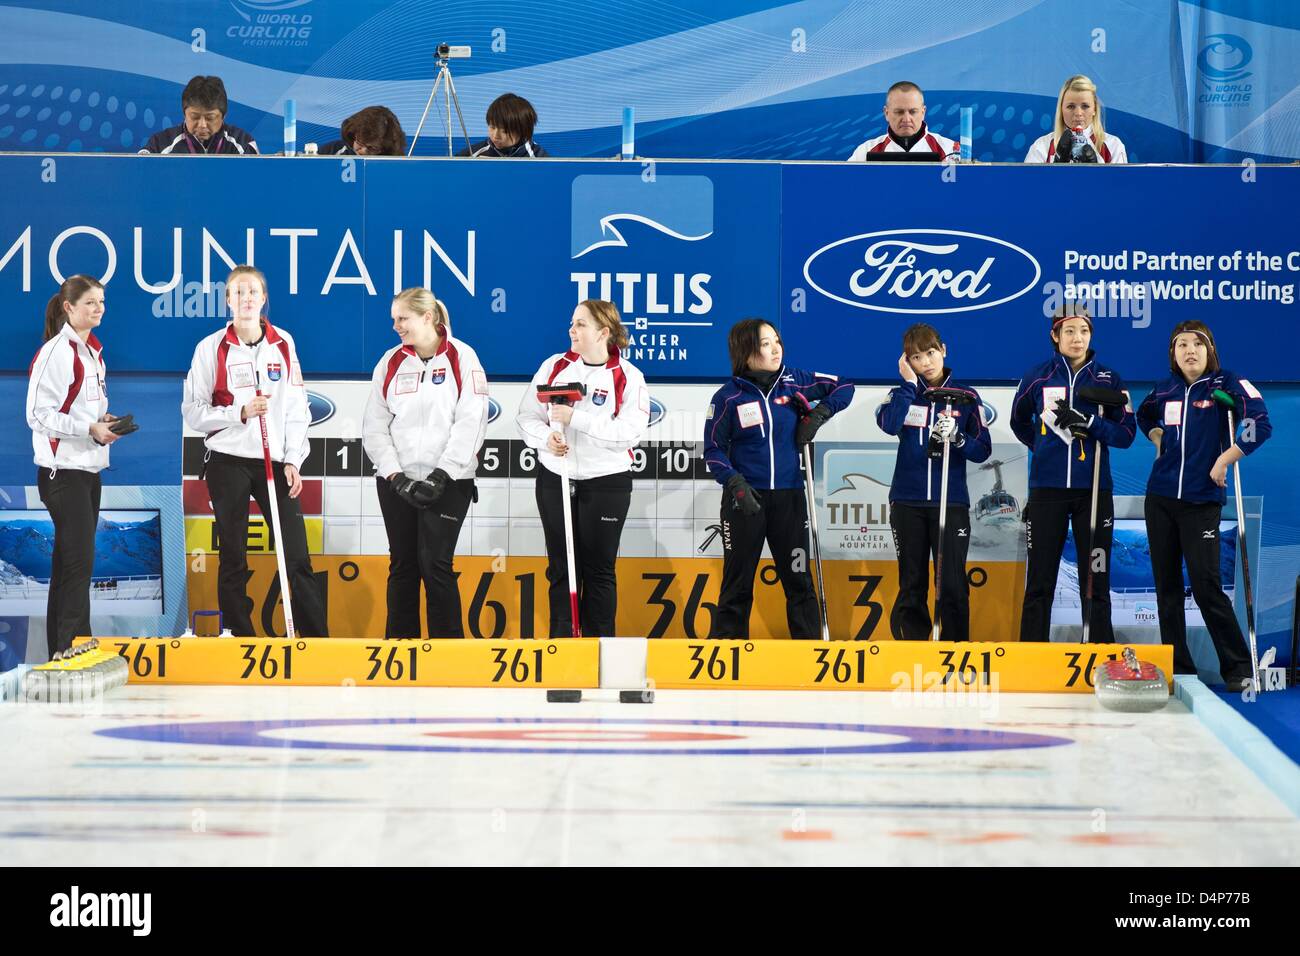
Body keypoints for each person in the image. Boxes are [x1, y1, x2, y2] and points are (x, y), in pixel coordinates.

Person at [181, 265, 328, 637]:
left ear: (264, 299)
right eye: (238, 293)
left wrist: (294, 458)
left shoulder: (283, 343)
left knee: (296, 553)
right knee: (233, 553)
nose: (246, 299)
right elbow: (193, 413)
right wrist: (239, 412)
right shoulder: (210, 347)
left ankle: (316, 640)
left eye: (253, 292)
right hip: (228, 461)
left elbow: (297, 408)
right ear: (228, 300)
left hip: (274, 461)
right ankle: (238, 636)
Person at [1136, 321, 1271, 692]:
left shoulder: (1227, 382)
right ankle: (1179, 668)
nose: (1189, 350)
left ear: (1210, 350)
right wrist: (1156, 435)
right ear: (1173, 353)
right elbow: (1143, 415)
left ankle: (1238, 667)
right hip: (1160, 498)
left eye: (1197, 343)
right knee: (1166, 586)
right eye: (1181, 344)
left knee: (1206, 584)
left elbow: (1259, 423)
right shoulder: (1163, 390)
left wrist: (1225, 459)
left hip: (1201, 500)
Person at [703, 319, 854, 639]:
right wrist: (734, 484)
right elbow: (714, 450)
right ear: (746, 352)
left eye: (777, 341)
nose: (776, 349)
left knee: (799, 583)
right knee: (737, 585)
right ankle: (728, 658)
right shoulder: (727, 398)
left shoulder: (795, 382)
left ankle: (810, 655)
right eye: (765, 344)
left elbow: (844, 386)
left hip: (789, 500)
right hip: (745, 500)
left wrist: (818, 415)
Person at [362, 288, 488, 638]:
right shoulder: (390, 361)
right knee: (402, 565)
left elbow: (471, 423)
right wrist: (396, 476)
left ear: (428, 318)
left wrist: (442, 475)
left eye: (402, 318)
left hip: (450, 481)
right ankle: (400, 651)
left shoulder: (463, 358)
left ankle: (448, 655)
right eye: (394, 319)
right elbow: (374, 427)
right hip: (397, 483)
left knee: (436, 565)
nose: (396, 326)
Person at [516, 300, 647, 637]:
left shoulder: (628, 377)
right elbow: (526, 416)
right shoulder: (554, 366)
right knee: (561, 567)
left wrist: (578, 418)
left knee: (599, 569)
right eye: (572, 323)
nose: (571, 330)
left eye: (580, 324)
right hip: (555, 477)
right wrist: (547, 438)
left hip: (606, 482)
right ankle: (563, 648)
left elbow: (629, 433)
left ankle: (600, 650)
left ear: (604, 332)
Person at [1010, 303, 1135, 643]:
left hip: (1092, 492)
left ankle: (1098, 649)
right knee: (1040, 578)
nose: (1077, 338)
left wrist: (1091, 423)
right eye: (1069, 331)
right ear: (1055, 336)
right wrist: (1043, 447)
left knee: (1095, 576)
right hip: (1046, 491)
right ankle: (1032, 653)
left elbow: (1125, 434)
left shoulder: (1109, 379)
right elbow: (1018, 421)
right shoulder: (1037, 376)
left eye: (1083, 331)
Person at [26, 275, 134, 658]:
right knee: (78, 561)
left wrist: (103, 421)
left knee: (69, 561)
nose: (98, 308)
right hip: (62, 472)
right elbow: (37, 415)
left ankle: (60, 648)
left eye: (101, 302)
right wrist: (88, 428)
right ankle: (74, 643)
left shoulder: (93, 353)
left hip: (88, 470)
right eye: (89, 302)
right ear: (69, 308)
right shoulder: (57, 353)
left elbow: (79, 409)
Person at [876, 324, 991, 641]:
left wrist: (958, 438)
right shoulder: (902, 394)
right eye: (916, 357)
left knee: (952, 581)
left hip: (951, 502)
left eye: (930, 353)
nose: (926, 362)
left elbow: (982, 450)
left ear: (943, 350)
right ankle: (911, 649)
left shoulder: (967, 397)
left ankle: (955, 651)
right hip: (908, 502)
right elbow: (888, 424)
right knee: (911, 580)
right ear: (907, 362)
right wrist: (908, 385)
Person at [140, 76, 258, 155]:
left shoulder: (243, 143)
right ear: (184, 114)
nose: (202, 125)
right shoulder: (158, 144)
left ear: (224, 116)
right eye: (195, 117)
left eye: (210, 118)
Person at [1024, 74, 1127, 163]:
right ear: (1061, 109)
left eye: (1085, 106)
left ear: (1094, 109)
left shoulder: (1113, 145)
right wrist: (1056, 169)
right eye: (1071, 106)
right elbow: (1028, 185)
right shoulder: (1041, 146)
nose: (1078, 113)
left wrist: (1097, 170)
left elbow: (1122, 185)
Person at [847, 81, 958, 160]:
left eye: (913, 111)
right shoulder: (865, 152)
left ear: (923, 112)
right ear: (886, 113)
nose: (906, 119)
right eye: (899, 112)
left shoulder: (949, 151)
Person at [459, 93, 549, 157]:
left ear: (523, 131)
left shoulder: (539, 158)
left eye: (504, 131)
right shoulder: (472, 154)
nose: (495, 136)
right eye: (492, 127)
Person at [319, 106, 406, 156]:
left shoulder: (394, 164)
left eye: (372, 148)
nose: (363, 151)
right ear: (353, 135)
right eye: (360, 143)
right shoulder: (332, 152)